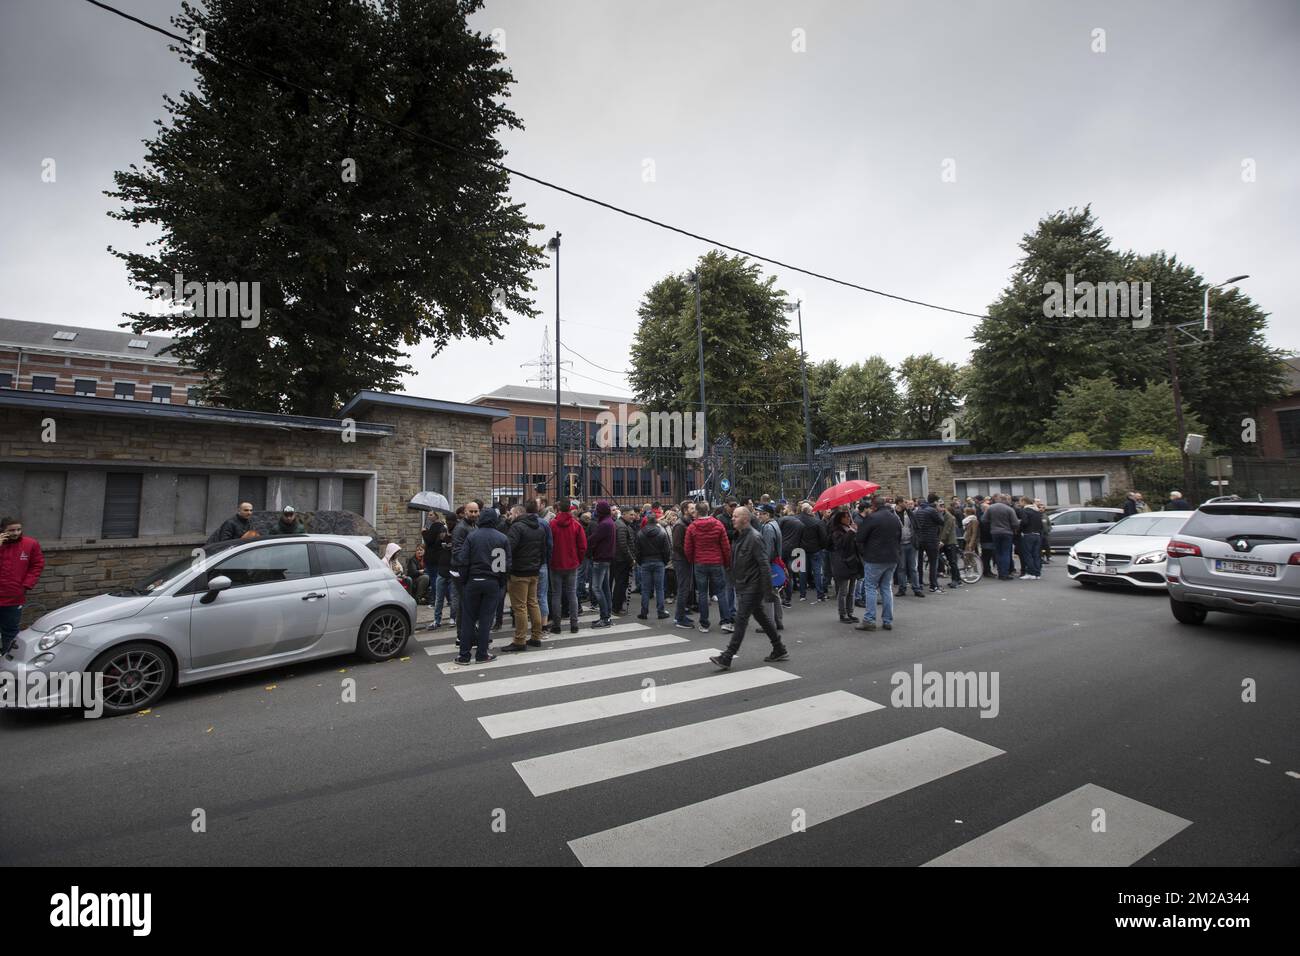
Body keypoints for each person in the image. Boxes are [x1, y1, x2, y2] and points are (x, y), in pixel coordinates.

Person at [709, 508, 788, 669]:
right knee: (761, 617)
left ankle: (727, 656)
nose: (732, 519)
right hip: (744, 583)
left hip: (753, 586)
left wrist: (768, 591)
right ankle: (779, 648)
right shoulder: (739, 536)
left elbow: (764, 565)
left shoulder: (754, 537)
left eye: (736, 516)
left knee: (741, 620)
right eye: (732, 516)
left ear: (745, 519)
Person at [454, 507, 509, 665]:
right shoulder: (502, 538)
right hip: (492, 581)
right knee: (486, 620)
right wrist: (500, 583)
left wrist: (464, 580)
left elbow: (463, 561)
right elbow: (505, 565)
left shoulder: (472, 537)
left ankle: (464, 655)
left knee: (468, 619)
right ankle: (482, 654)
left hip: (473, 581)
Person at [502, 502, 548, 652]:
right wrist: (537, 564)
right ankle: (536, 636)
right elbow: (544, 549)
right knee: (533, 603)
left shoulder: (517, 527)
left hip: (519, 572)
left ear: (517, 514)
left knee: (520, 607)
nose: (510, 515)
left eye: (511, 513)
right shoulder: (539, 527)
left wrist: (508, 569)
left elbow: (509, 548)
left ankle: (520, 640)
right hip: (534, 570)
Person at [855, 495, 901, 632]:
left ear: (874, 506)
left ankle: (869, 619)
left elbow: (860, 538)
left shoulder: (872, 518)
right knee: (886, 588)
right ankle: (887, 620)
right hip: (892, 557)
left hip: (875, 557)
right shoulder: (894, 518)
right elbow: (899, 536)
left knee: (870, 587)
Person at [0, 517, 45, 656]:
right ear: (2, 530)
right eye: (11, 530)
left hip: (14, 596)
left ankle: (7, 658)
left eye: (18, 529)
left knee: (11, 630)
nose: (16, 533)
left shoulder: (30, 544)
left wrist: (26, 585)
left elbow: (37, 565)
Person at [685, 504, 733, 633]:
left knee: (702, 593)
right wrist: (727, 562)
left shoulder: (692, 527)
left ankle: (704, 623)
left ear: (697, 512)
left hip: (700, 562)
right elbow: (726, 546)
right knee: (721, 592)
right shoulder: (718, 525)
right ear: (708, 511)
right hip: (717, 562)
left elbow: (688, 548)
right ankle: (726, 621)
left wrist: (692, 560)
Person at [547, 499, 587, 634]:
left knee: (556, 594)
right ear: (570, 509)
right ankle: (574, 624)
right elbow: (582, 546)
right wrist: (578, 560)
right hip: (572, 564)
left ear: (558, 509)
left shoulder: (552, 525)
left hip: (555, 564)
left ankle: (556, 625)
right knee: (572, 594)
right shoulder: (576, 525)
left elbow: (548, 544)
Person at [449, 501, 479, 648]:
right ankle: (463, 636)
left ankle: (466, 635)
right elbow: (457, 552)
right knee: (466, 604)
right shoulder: (461, 528)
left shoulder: (474, 525)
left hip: (467, 570)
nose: (474, 514)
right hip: (460, 571)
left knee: (466, 604)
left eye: (476, 511)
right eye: (471, 511)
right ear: (465, 512)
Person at [635, 510, 671, 620]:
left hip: (645, 561)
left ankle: (644, 612)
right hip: (659, 561)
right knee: (659, 588)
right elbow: (667, 550)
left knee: (645, 589)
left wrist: (640, 561)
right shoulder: (661, 533)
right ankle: (660, 611)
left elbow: (637, 551)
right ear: (656, 521)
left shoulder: (640, 533)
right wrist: (664, 561)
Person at [587, 501, 617, 628]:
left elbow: (593, 539)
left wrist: (586, 543)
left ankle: (604, 617)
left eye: (596, 509)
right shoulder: (609, 522)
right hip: (606, 558)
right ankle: (607, 615)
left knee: (596, 588)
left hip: (600, 558)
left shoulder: (604, 524)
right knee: (605, 588)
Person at [829, 509, 862, 623]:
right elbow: (841, 544)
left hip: (853, 562)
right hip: (843, 563)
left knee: (852, 591)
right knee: (843, 591)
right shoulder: (836, 531)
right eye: (846, 517)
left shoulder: (850, 529)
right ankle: (842, 614)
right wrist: (851, 531)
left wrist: (855, 532)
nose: (848, 518)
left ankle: (850, 612)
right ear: (840, 519)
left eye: (849, 516)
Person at [756, 504, 785, 631]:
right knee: (774, 593)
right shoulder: (774, 524)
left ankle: (769, 624)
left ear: (767, 514)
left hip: (769, 564)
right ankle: (778, 620)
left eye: (761, 513)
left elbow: (767, 550)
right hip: (774, 563)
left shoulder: (767, 527)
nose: (758, 516)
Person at [671, 500, 696, 629]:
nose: (695, 510)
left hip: (685, 560)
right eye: (692, 508)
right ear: (685, 510)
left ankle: (681, 615)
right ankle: (679, 618)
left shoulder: (687, 523)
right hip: (681, 560)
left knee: (686, 588)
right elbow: (677, 545)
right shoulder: (680, 525)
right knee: (683, 589)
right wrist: (689, 555)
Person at [913, 494, 944, 593]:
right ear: (935, 502)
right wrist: (939, 511)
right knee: (933, 563)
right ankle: (933, 585)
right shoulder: (932, 511)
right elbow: (941, 521)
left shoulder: (918, 511)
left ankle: (920, 583)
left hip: (920, 539)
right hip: (931, 539)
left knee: (920, 563)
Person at [894, 499, 923, 598]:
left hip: (911, 543)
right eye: (904, 502)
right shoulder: (893, 514)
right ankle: (902, 588)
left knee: (913, 568)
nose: (907, 504)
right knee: (901, 568)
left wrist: (916, 539)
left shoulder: (909, 513)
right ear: (899, 503)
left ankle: (916, 588)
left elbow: (917, 525)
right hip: (900, 544)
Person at [987, 494, 1020, 580]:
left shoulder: (991, 508)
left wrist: (992, 524)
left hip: (994, 532)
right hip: (1007, 533)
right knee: (1006, 553)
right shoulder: (1009, 509)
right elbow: (1015, 523)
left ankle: (1000, 572)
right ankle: (1005, 573)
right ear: (1006, 500)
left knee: (998, 553)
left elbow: (984, 519)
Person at [613, 507, 638, 616]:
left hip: (621, 559)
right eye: (631, 515)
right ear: (623, 514)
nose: (633, 517)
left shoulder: (622, 524)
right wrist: (631, 558)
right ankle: (616, 607)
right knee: (621, 584)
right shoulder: (622, 526)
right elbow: (623, 545)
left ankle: (617, 605)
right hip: (622, 560)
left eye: (633, 514)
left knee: (621, 583)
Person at [938, 502, 962, 588]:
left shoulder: (949, 517)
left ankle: (955, 580)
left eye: (940, 506)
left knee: (952, 561)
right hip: (943, 541)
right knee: (946, 560)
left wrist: (941, 540)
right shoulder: (940, 515)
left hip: (949, 542)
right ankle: (958, 579)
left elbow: (946, 530)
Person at [1019, 500, 1044, 580]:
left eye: (1020, 502)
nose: (1020, 504)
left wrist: (1020, 528)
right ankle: (1037, 573)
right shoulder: (1037, 511)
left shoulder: (1025, 511)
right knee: (1036, 554)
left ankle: (1031, 573)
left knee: (1028, 554)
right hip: (1037, 535)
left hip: (1028, 534)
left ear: (1024, 502)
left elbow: (1024, 522)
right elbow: (1041, 525)